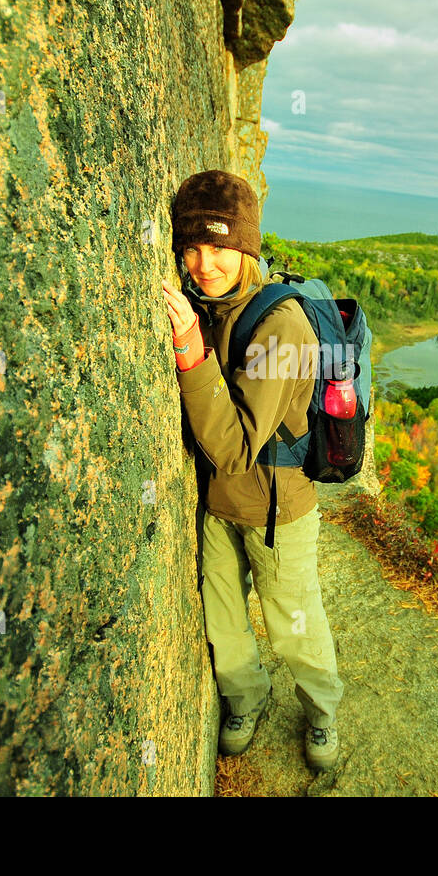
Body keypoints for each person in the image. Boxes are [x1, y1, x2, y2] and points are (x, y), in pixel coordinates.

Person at [159, 169, 344, 772]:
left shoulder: (281, 326)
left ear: (246, 249)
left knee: (293, 625)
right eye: (191, 247)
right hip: (220, 505)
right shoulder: (213, 303)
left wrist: (190, 347)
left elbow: (237, 446)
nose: (201, 263)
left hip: (277, 512)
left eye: (218, 247)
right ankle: (246, 699)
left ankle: (322, 710)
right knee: (225, 619)